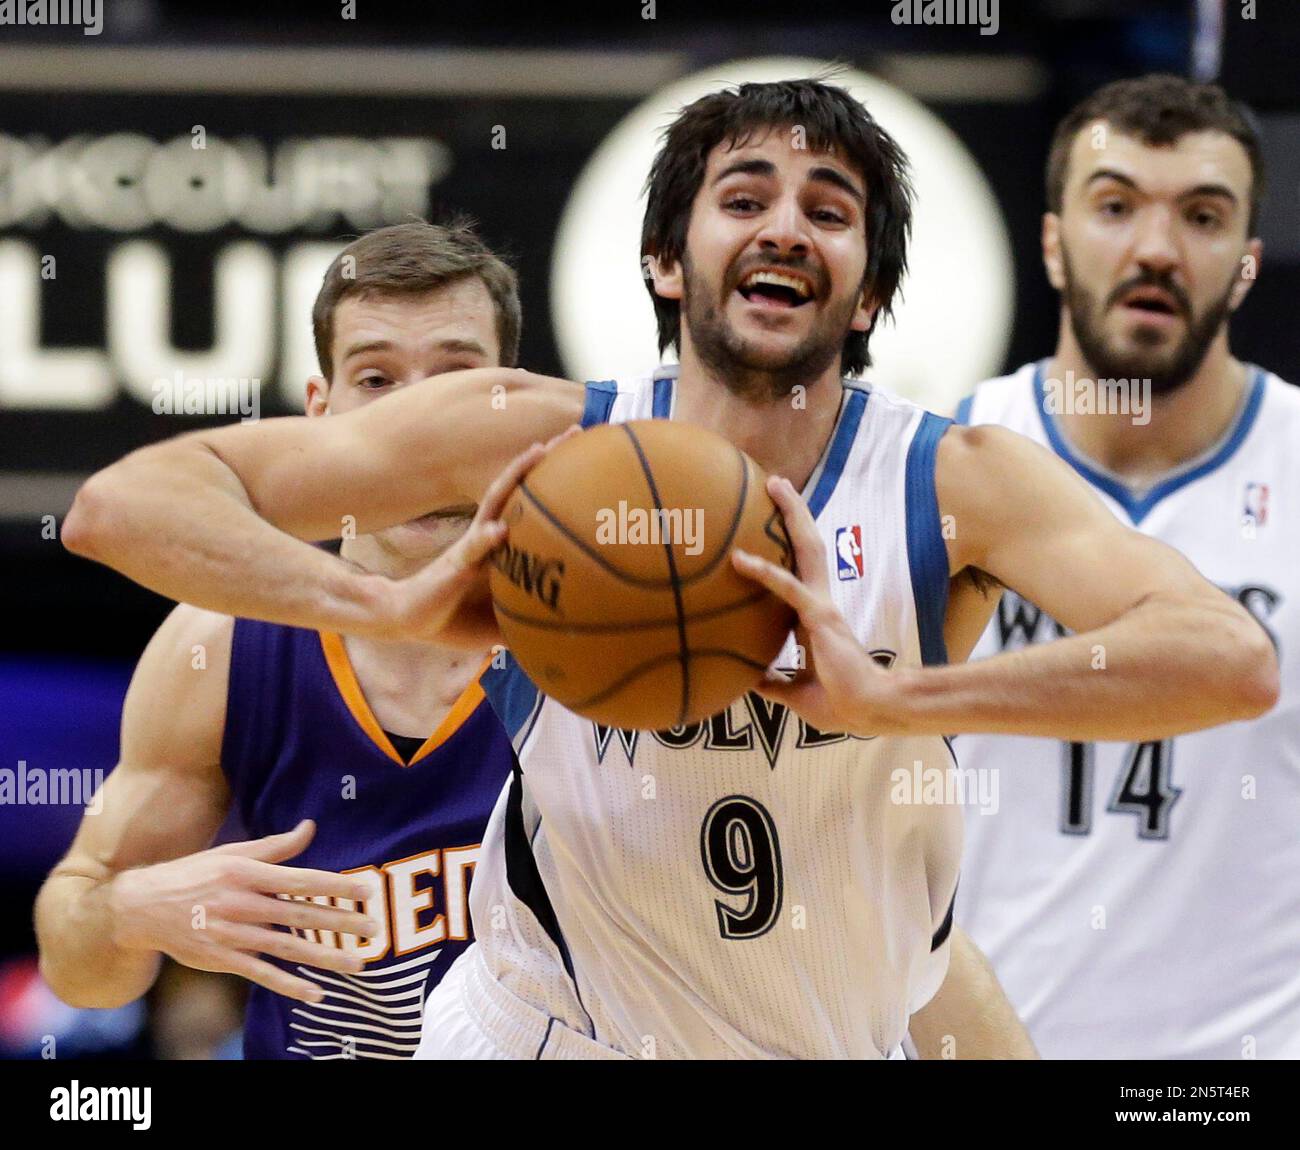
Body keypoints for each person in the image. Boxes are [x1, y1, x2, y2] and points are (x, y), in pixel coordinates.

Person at [62, 79, 1277, 1060]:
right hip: (549, 1036)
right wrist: (381, 601)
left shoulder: (954, 483)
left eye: (830, 208)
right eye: (743, 196)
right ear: (662, 259)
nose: (785, 226)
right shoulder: (539, 439)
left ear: (872, 294)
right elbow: (123, 506)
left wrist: (894, 699)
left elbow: (1227, 661)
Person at [37, 220, 524, 1059]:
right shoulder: (224, 646)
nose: (415, 417)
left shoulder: (602, 637)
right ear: (318, 413)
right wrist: (132, 911)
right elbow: (81, 967)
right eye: (377, 379)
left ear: (514, 402)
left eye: (455, 377)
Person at [951, 75, 1300, 1059]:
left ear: (1244, 265)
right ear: (1054, 242)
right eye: (1114, 206)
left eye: (1201, 216)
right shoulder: (948, 459)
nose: (1154, 249)